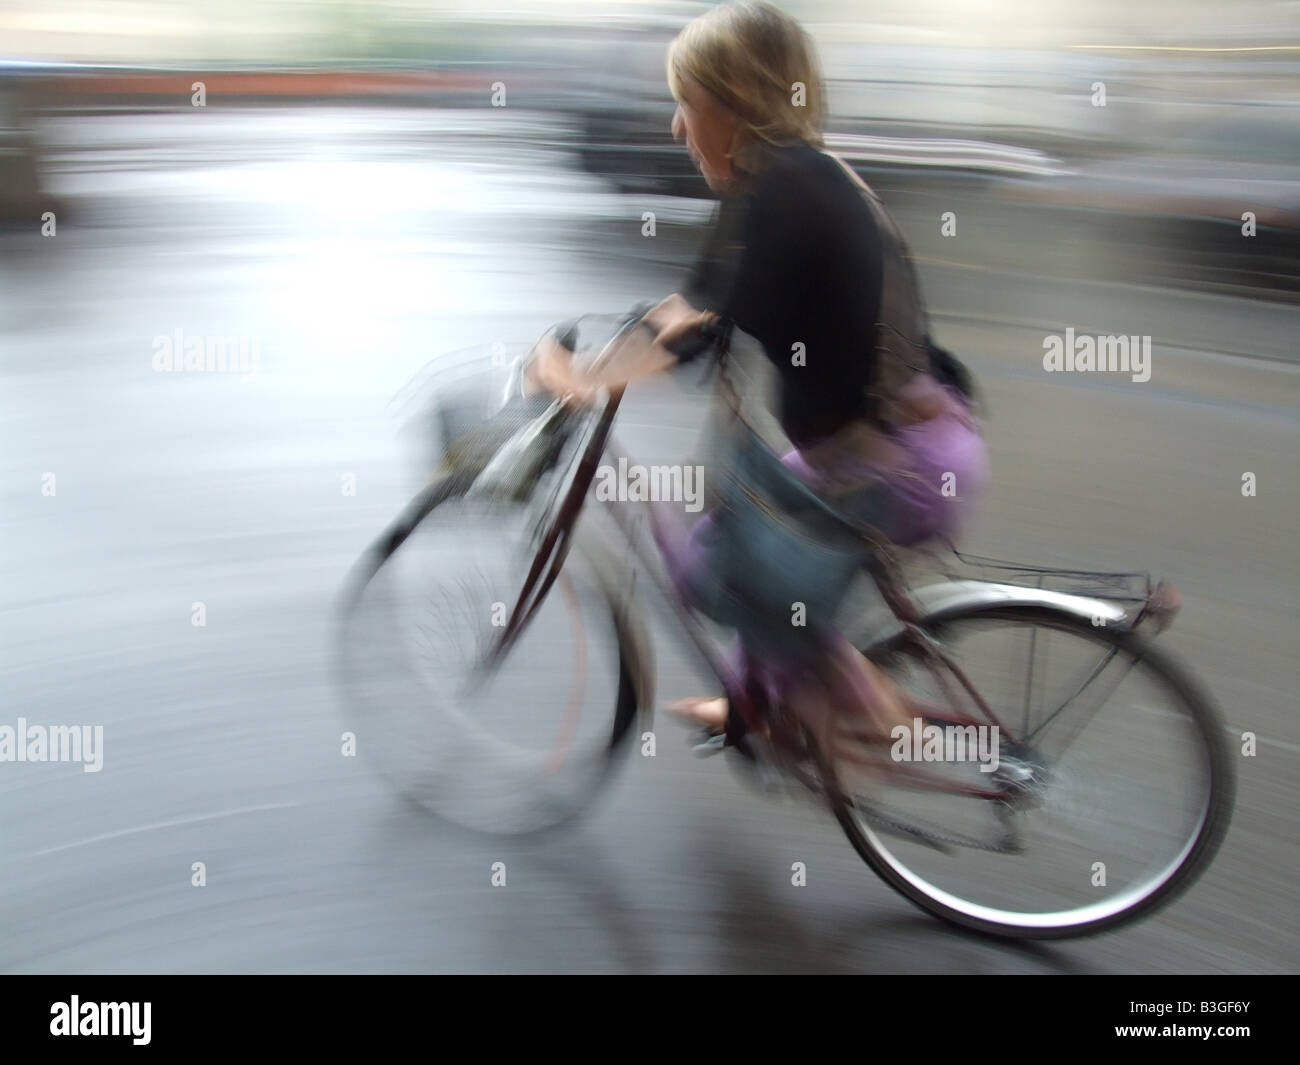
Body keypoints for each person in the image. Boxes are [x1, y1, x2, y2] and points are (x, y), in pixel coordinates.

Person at [532, 1, 991, 758]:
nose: (678, 127)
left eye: (686, 103)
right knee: (725, 536)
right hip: (899, 445)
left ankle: (891, 728)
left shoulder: (789, 188)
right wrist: (601, 355)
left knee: (734, 577)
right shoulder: (788, 181)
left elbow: (703, 328)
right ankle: (757, 706)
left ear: (731, 103)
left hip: (901, 468)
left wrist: (578, 380)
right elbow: (693, 309)